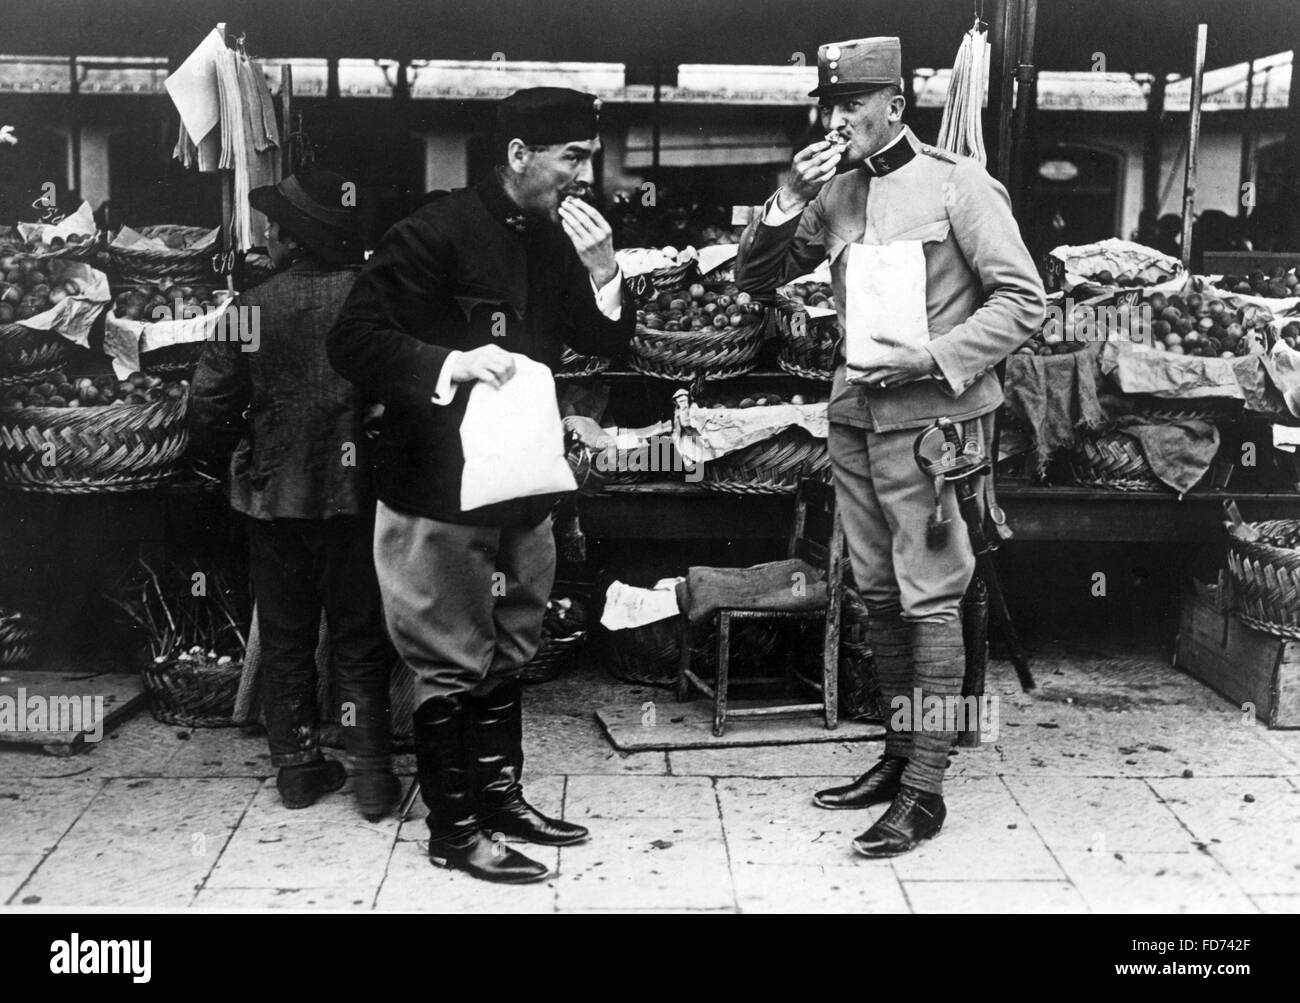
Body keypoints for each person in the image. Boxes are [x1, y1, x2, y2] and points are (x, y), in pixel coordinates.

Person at [736, 37, 1045, 858]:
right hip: (855, 420)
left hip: (932, 429)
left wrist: (936, 357)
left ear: (895, 107)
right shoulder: (833, 192)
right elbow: (754, 280)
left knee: (931, 596)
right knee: (877, 592)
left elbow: (1025, 301)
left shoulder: (960, 184)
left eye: (852, 106)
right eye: (829, 107)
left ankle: (926, 788)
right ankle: (898, 753)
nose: (838, 121)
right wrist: (782, 196)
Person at [328, 87, 634, 884]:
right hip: (435, 487)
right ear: (519, 154)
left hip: (521, 484)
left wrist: (605, 270)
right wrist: (448, 363)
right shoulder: (430, 232)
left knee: (509, 645)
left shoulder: (553, 238)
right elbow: (352, 338)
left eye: (588, 158)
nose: (583, 174)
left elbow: (600, 339)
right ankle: (454, 827)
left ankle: (500, 796)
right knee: (447, 656)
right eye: (571, 158)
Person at [188, 165, 401, 821]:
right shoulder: (371, 301)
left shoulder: (249, 308)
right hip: (352, 494)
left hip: (270, 496)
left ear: (291, 238)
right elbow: (401, 392)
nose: (270, 238)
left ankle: (298, 770)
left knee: (286, 639)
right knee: (360, 639)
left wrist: (228, 456)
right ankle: (372, 778)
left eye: (277, 227)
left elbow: (208, 402)